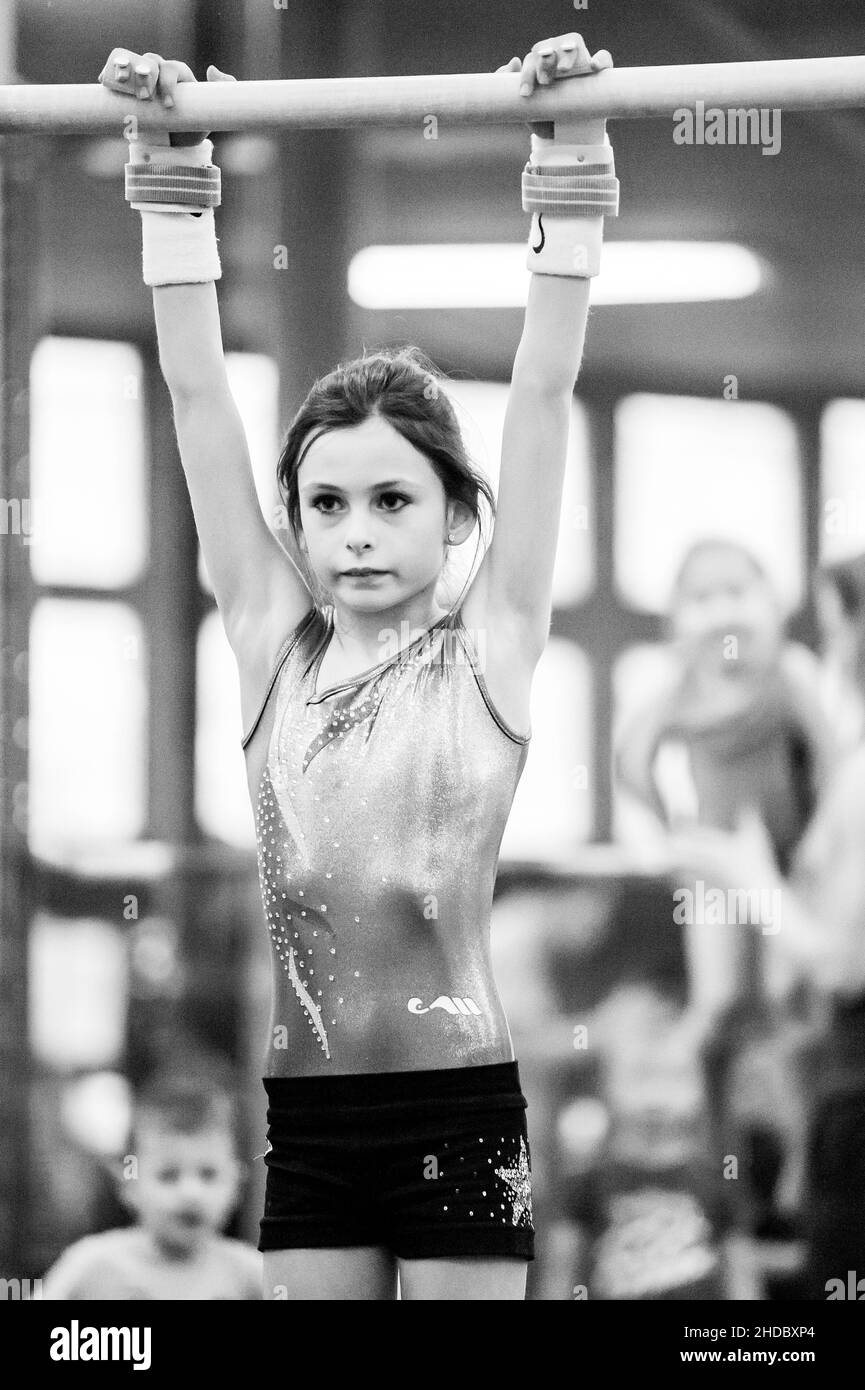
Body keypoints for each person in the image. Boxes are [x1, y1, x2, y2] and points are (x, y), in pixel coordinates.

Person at [96, 29, 619, 1300]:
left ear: (454, 518)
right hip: (313, 1122)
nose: (357, 532)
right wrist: (172, 173)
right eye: (325, 506)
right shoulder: (270, 646)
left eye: (392, 500)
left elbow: (544, 392)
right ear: (293, 524)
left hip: (459, 1116)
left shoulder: (489, 650)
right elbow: (196, 398)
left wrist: (569, 152)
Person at [667, 549, 865, 1297]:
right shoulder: (687, 692)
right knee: (717, 1012)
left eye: (738, 593)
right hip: (731, 864)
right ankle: (731, 1198)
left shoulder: (797, 684)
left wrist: (777, 873)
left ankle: (772, 1196)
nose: (722, 614)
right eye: (702, 598)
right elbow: (640, 757)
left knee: (785, 1026)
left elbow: (829, 753)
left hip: (784, 872)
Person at [42, 1073, 261, 1300]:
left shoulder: (251, 1275)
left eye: (209, 1175)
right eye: (168, 1176)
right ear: (128, 1184)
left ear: (237, 1183)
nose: (191, 1193)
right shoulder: (91, 1266)